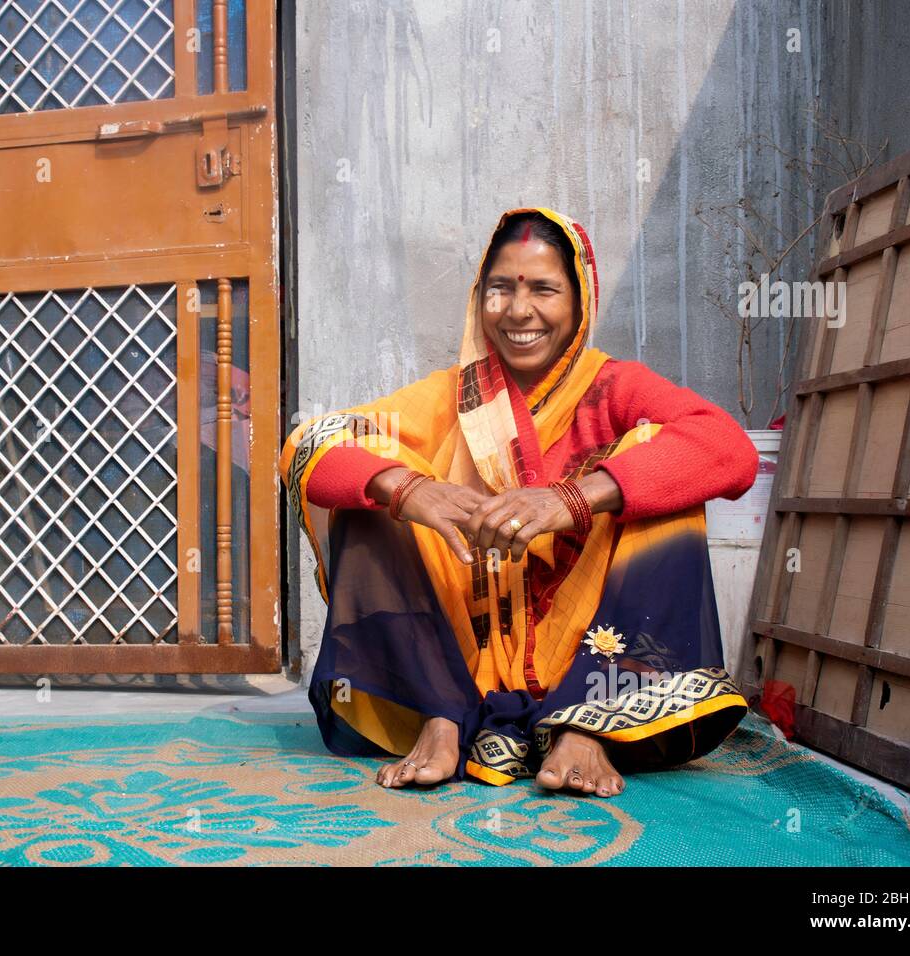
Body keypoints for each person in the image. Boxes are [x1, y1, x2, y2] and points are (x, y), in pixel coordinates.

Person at [278, 206, 757, 796]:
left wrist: (576, 499)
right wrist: (409, 490)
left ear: (581, 302)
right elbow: (310, 443)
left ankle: (586, 725)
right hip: (464, 655)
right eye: (500, 288)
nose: (518, 310)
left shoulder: (613, 387)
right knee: (368, 484)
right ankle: (441, 714)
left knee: (666, 472)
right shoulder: (452, 394)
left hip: (585, 652)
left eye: (544, 289)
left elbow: (727, 448)